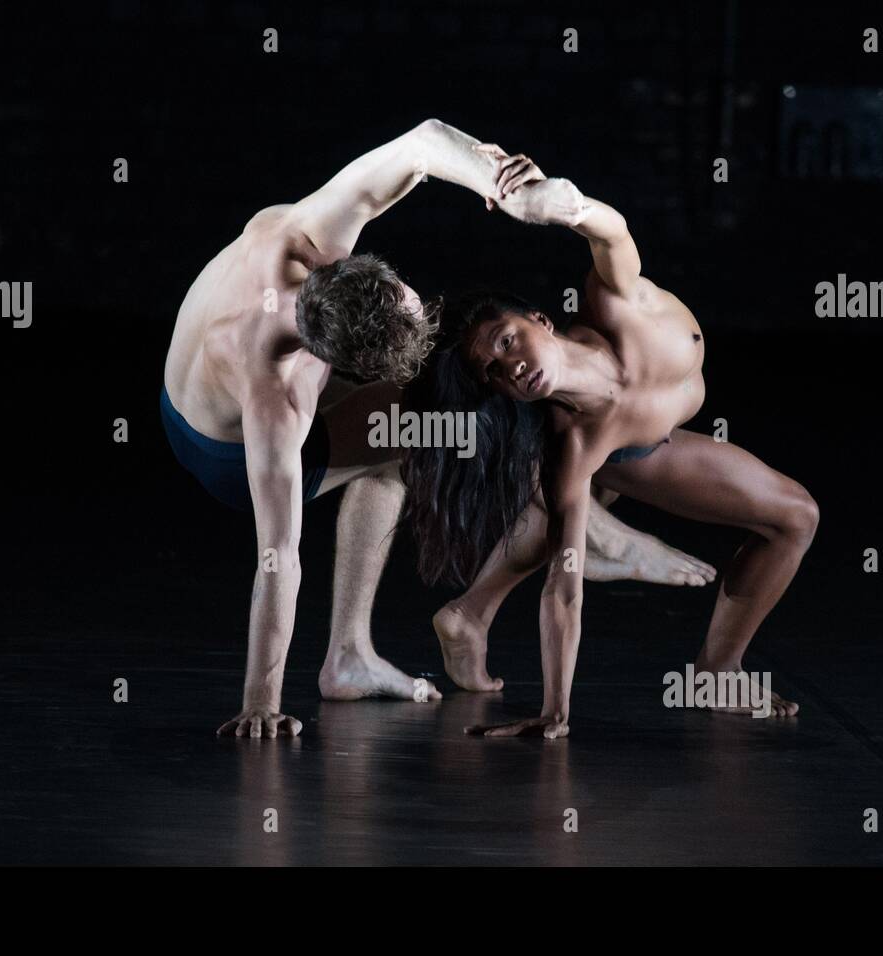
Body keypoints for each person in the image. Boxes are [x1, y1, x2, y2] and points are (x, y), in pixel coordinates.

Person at [161, 120, 711, 738]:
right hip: (221, 453)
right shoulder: (278, 400)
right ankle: (593, 532)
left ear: (366, 268)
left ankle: (349, 656)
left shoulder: (307, 229)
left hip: (185, 382)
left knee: (403, 443)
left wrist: (512, 194)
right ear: (343, 369)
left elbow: (422, 142)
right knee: (428, 422)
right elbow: (277, 558)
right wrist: (261, 698)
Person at [403, 145, 819, 737]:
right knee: (571, 516)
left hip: (655, 424)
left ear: (539, 321)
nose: (510, 368)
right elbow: (564, 590)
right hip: (633, 449)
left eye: (505, 343)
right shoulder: (576, 446)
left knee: (794, 517)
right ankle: (715, 669)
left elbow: (614, 234)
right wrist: (556, 712)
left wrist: (564, 203)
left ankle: (471, 615)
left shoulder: (613, 305)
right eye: (494, 374)